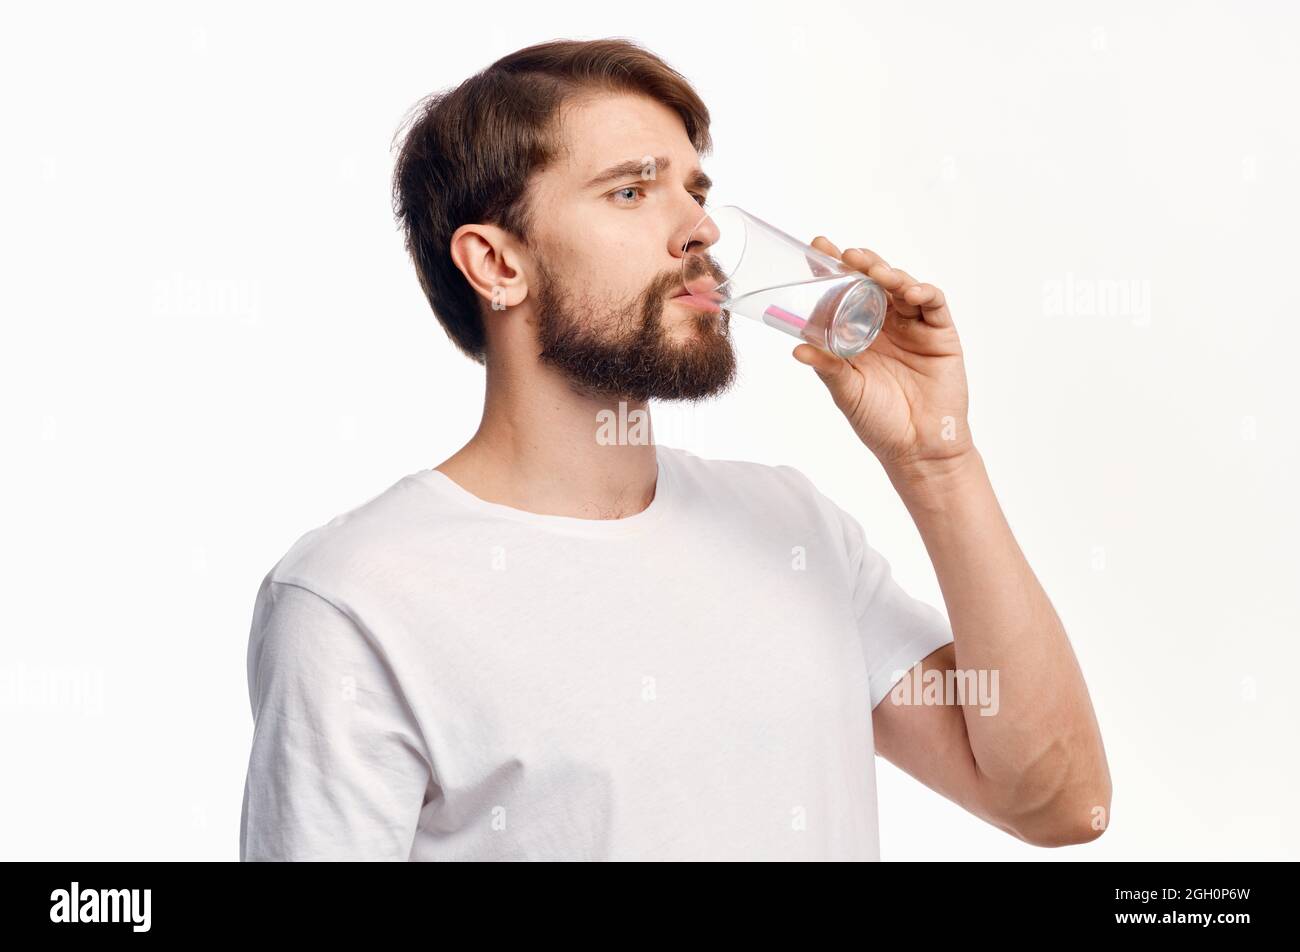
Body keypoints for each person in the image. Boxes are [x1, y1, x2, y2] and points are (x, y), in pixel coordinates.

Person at [239, 37, 1111, 861]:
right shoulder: (356, 598)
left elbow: (1060, 802)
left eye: (694, 190)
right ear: (497, 265)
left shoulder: (792, 526)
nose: (698, 229)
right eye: (630, 191)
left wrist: (938, 465)